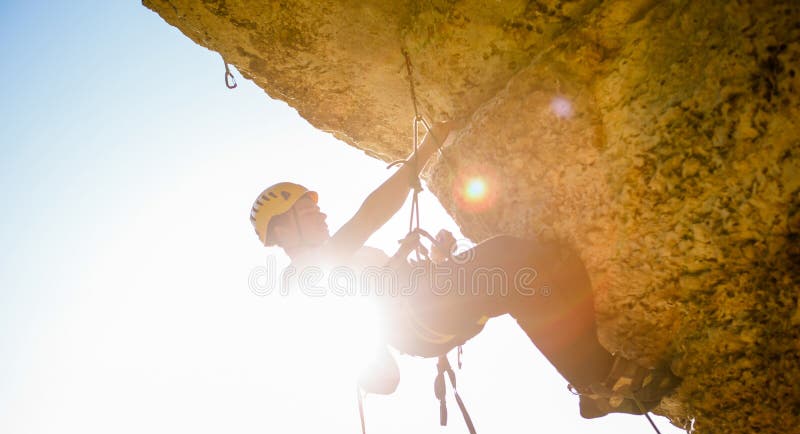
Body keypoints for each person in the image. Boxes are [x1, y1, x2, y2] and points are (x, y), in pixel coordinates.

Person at [249, 122, 678, 418]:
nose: (321, 215)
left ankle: (595, 382)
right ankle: (597, 381)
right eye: (307, 211)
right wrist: (425, 151)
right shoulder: (299, 277)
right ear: (282, 231)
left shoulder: (350, 257)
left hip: (428, 309)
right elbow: (367, 219)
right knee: (510, 259)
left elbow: (382, 283)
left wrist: (439, 261)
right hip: (419, 319)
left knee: (550, 263)